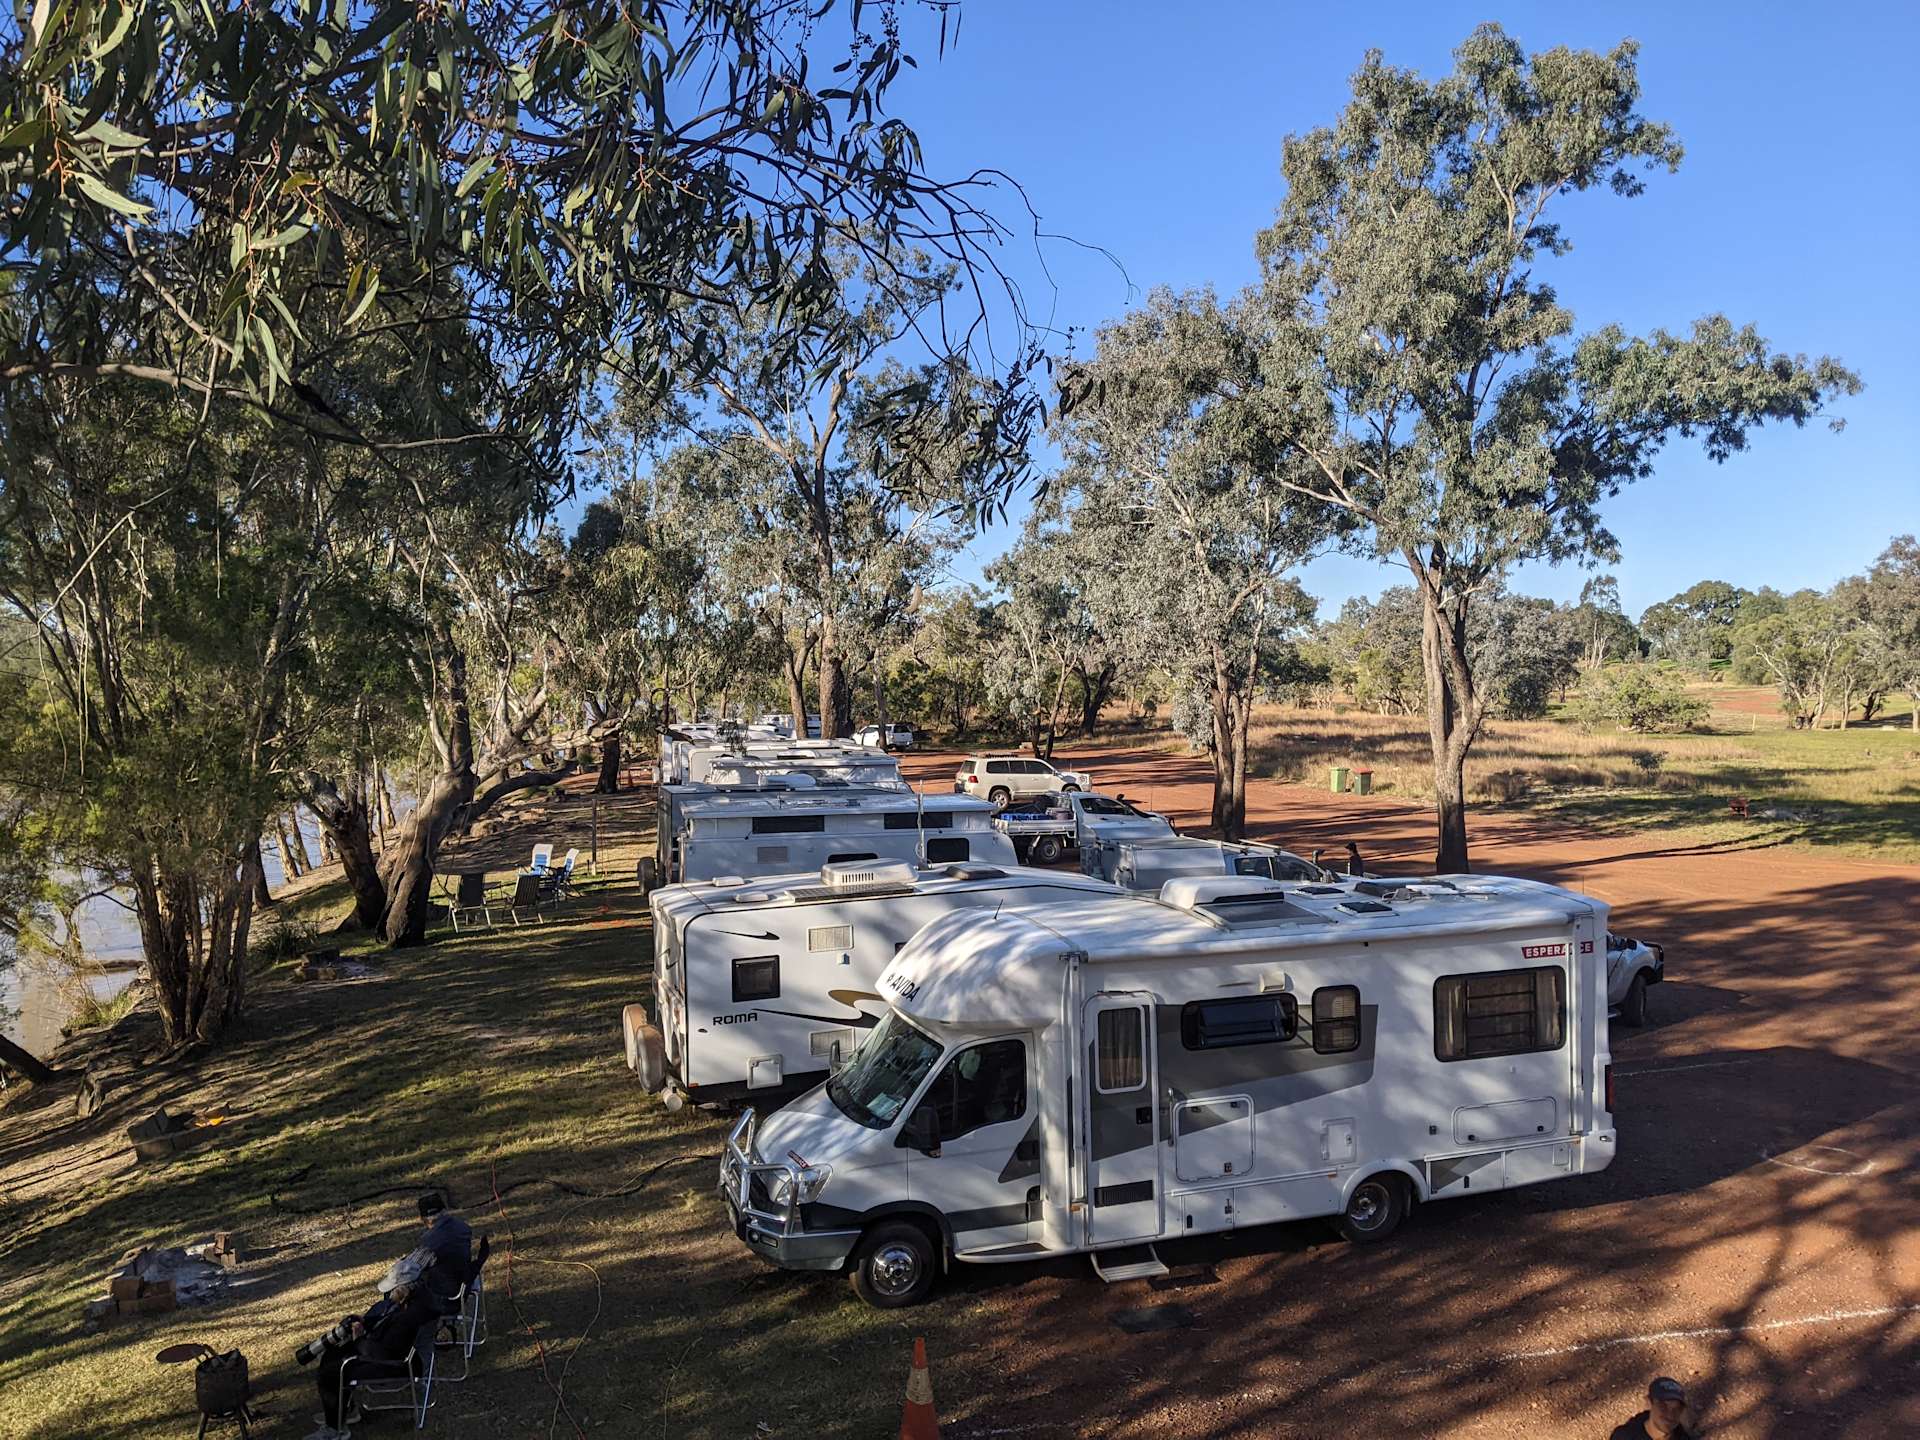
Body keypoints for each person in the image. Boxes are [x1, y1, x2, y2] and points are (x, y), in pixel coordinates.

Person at [304, 1255, 439, 1440]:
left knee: (330, 1371)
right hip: (398, 1355)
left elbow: (385, 1353)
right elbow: (387, 1324)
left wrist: (359, 1339)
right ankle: (342, 1412)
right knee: (332, 1355)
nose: (388, 1294)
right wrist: (366, 1322)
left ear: (403, 1289)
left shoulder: (410, 1316)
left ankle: (335, 1429)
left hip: (397, 1365)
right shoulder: (415, 1302)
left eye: (391, 1290)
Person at [1610, 1376, 1695, 1439]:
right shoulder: (1624, 1437)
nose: (1670, 1414)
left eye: (1677, 1408)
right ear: (1649, 1403)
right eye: (1663, 1405)